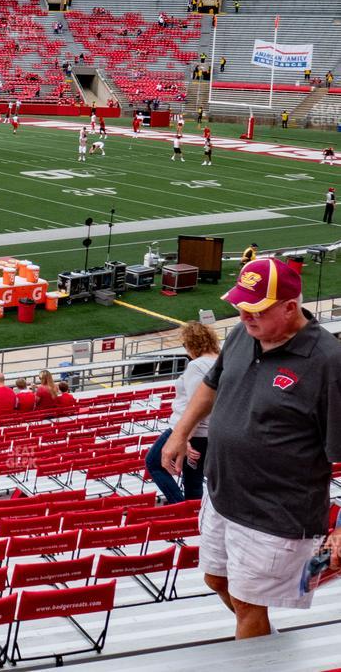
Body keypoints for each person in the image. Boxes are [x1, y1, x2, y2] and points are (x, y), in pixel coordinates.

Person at [161, 258, 341, 638]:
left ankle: (256, 653)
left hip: (276, 509)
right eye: (241, 306)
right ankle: (264, 642)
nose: (244, 316)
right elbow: (213, 382)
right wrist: (180, 432)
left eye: (255, 309)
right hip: (224, 492)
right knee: (215, 578)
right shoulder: (245, 334)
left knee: (247, 603)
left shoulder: (328, 362)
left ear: (290, 307)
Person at [144, 320, 219, 504]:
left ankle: (179, 508)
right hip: (209, 433)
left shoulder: (197, 365)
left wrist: (184, 438)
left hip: (188, 430)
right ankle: (191, 519)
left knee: (154, 463)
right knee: (193, 479)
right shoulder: (220, 360)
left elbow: (198, 405)